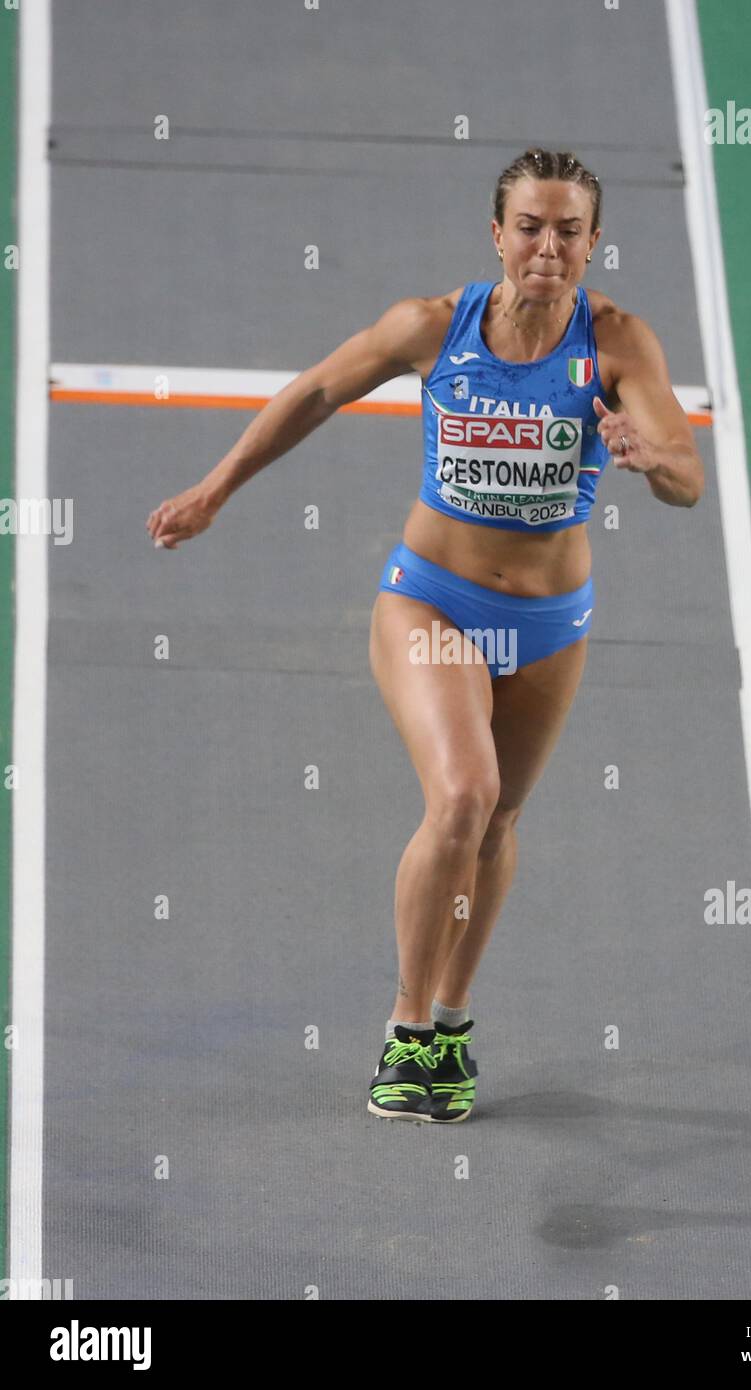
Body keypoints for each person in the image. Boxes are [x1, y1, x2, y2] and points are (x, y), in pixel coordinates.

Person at [146, 146, 703, 1126]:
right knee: (462, 794)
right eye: (528, 226)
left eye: (566, 230)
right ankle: (406, 1030)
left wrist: (645, 454)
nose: (545, 247)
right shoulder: (431, 327)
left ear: (592, 242)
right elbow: (317, 392)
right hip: (432, 602)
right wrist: (214, 488)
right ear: (496, 234)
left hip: (549, 623)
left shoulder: (616, 343)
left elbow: (683, 478)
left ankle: (450, 1020)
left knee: (495, 826)